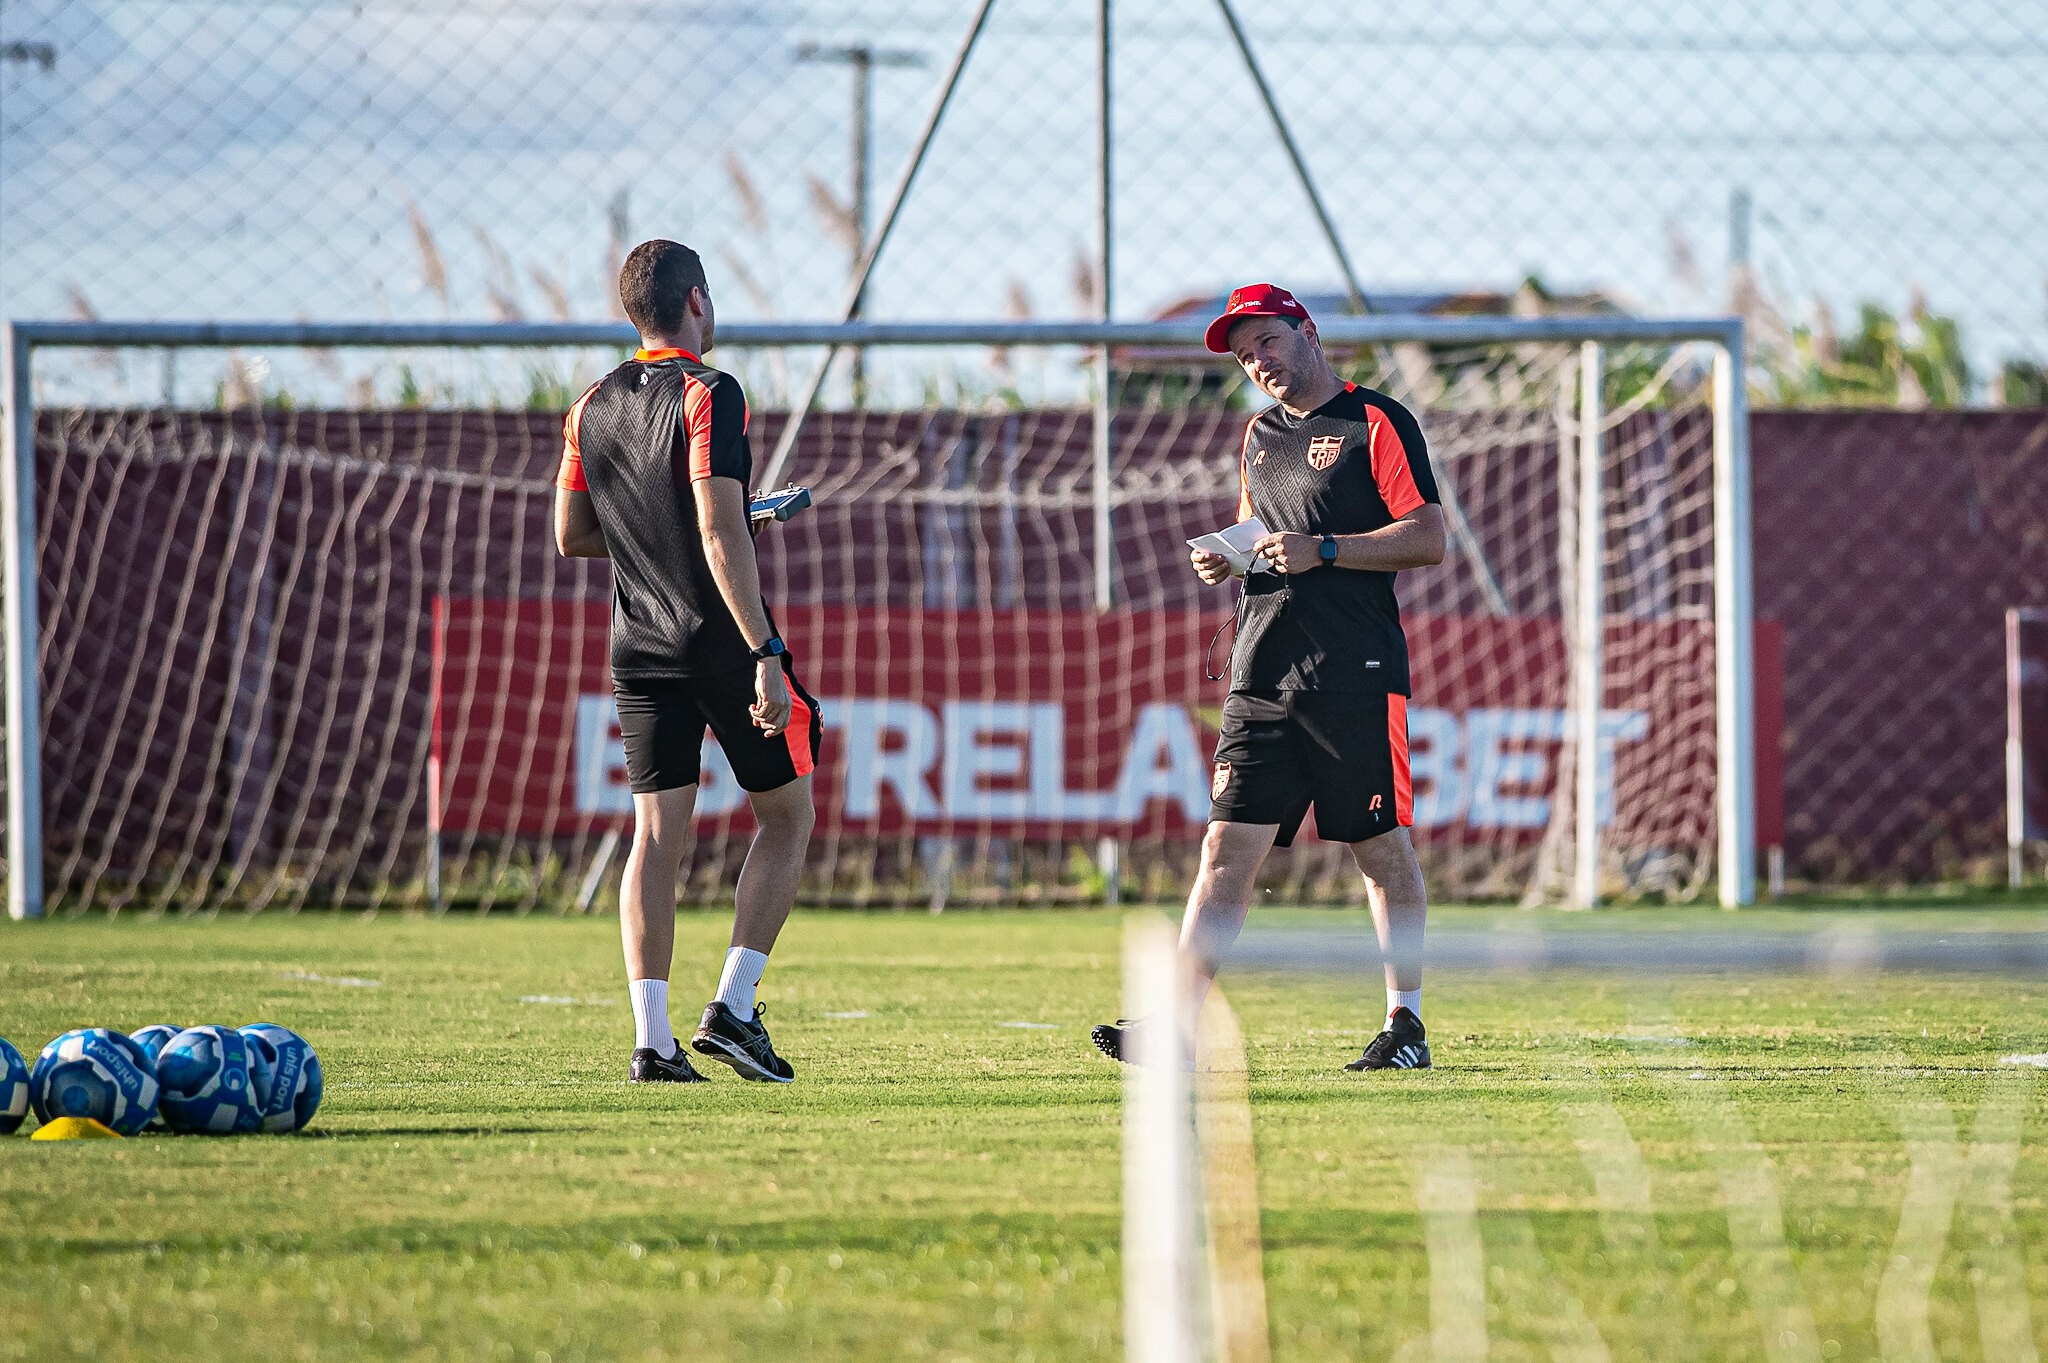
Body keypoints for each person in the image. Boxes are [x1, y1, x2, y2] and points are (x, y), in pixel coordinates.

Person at [1092, 283, 1446, 1071]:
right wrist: (1228, 554)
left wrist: (1328, 550)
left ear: (1307, 332)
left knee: (1380, 851)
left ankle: (1407, 1023)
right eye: (1246, 356)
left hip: (1353, 673)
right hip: (1260, 669)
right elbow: (1263, 528)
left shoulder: (1376, 420)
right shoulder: (1258, 434)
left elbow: (1428, 536)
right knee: (1224, 848)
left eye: (1268, 343)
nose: (1258, 363)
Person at [555, 239, 820, 1085]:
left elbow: (572, 535)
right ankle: (734, 1008)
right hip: (717, 640)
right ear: (697, 301)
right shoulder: (712, 390)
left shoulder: (589, 404)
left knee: (654, 838)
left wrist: (667, 532)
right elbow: (714, 527)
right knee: (788, 817)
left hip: (636, 646)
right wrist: (765, 650)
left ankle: (652, 1042)